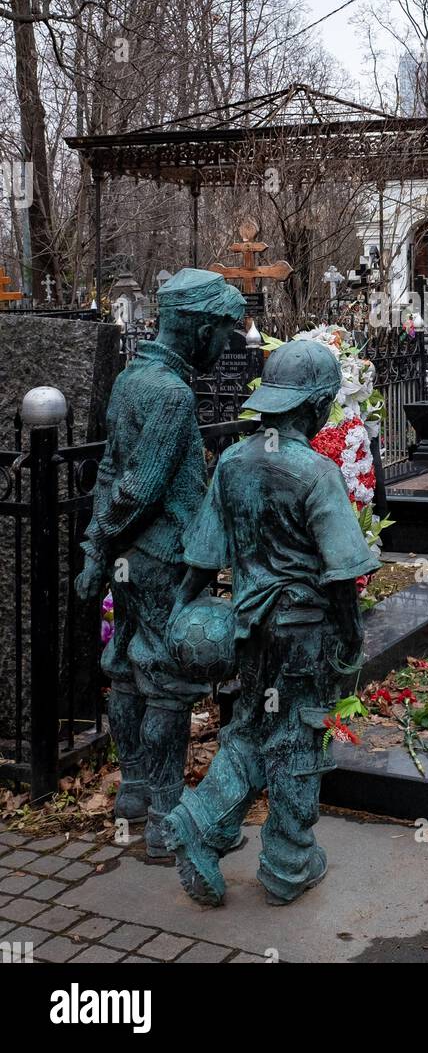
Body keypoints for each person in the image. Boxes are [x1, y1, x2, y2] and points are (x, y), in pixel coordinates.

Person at [162, 339, 380, 906]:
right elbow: (341, 575)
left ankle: (200, 820)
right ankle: (288, 860)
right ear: (312, 407)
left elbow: (204, 555)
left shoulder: (233, 462)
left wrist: (183, 607)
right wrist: (351, 641)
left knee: (250, 729)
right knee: (298, 735)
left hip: (248, 627)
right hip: (304, 634)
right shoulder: (314, 472)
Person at [76, 268, 246, 856]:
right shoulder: (172, 395)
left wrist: (100, 548)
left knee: (125, 664)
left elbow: (107, 472)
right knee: (167, 681)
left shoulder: (131, 379)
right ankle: (166, 821)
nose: (229, 346)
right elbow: (138, 487)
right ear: (197, 328)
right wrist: (102, 542)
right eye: (224, 333)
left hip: (127, 556)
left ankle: (134, 790)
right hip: (163, 555)